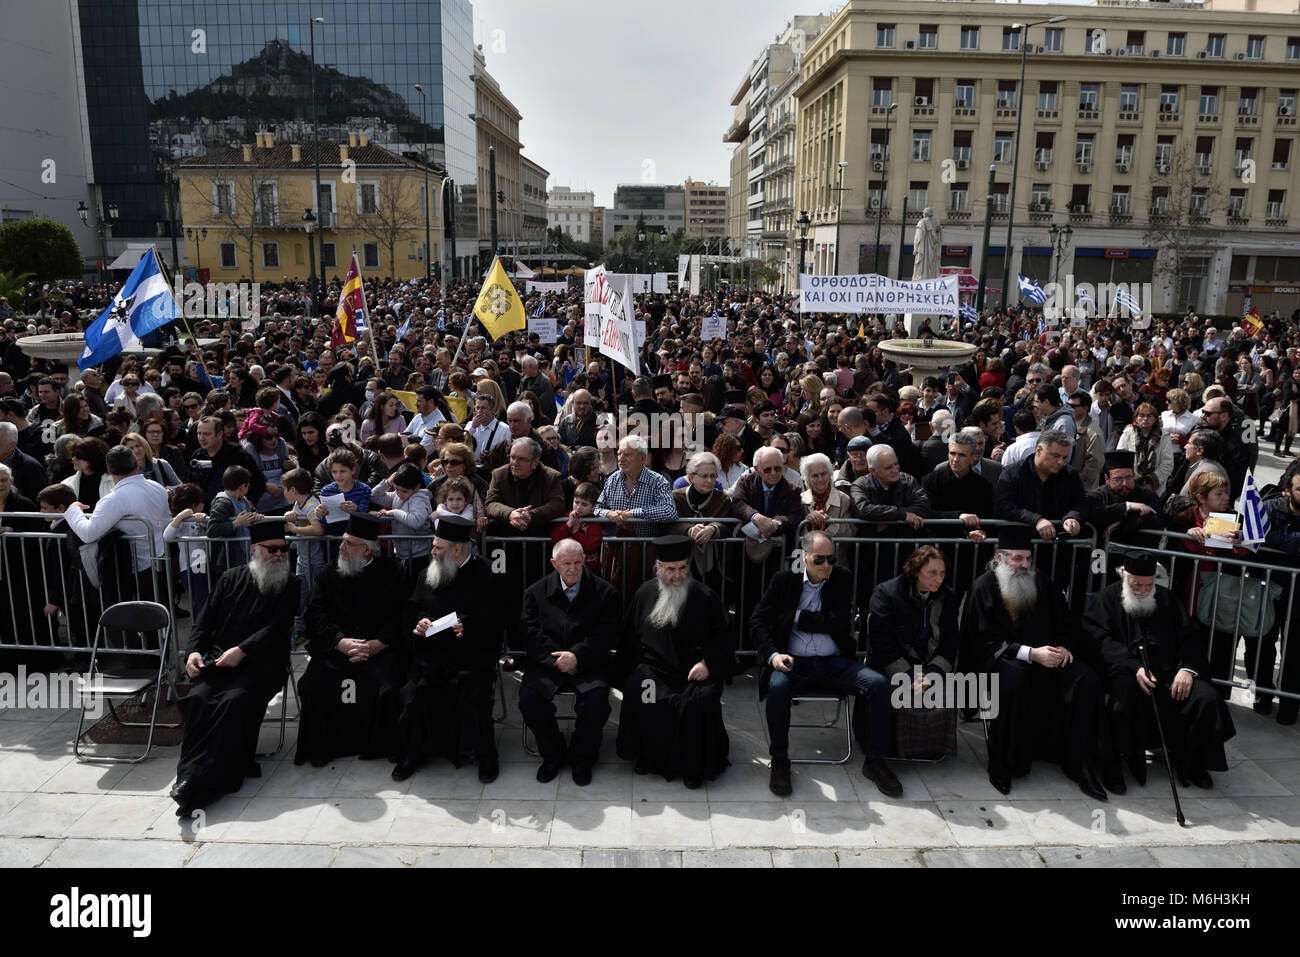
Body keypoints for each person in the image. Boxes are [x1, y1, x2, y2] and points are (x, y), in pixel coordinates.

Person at [959, 523, 1110, 799]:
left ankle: (1079, 763)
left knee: (1086, 680)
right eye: (1017, 558)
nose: (1024, 564)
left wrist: (1063, 647)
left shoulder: (1041, 581)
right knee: (1014, 680)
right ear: (1001, 558)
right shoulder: (983, 588)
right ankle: (1002, 764)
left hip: (1047, 657)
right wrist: (1030, 653)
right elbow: (980, 641)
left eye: (1028, 558)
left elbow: (1065, 622)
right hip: (1003, 660)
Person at [752, 530, 900, 797]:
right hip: (792, 662)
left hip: (833, 662)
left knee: (880, 684)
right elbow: (758, 621)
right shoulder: (784, 580)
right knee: (777, 689)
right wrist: (774, 656)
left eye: (831, 559)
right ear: (804, 557)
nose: (827, 565)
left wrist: (795, 617)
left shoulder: (841, 579)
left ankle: (876, 760)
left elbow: (839, 623)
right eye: (819, 559)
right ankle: (780, 759)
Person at [173, 520, 298, 815]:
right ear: (255, 550)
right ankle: (189, 776)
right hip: (219, 660)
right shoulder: (230, 578)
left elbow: (278, 628)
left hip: (263, 662)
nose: (280, 554)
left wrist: (243, 650)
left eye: (284, 548)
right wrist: (192, 652)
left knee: (232, 701)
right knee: (198, 699)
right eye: (273, 549)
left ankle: (209, 781)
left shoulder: (291, 583)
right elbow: (204, 622)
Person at [1082, 552, 1236, 791]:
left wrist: (1187, 669)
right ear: (1124, 575)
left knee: (1207, 698)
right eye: (1136, 584)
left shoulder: (1167, 599)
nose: (1143, 590)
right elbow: (1099, 639)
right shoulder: (1106, 599)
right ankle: (1115, 767)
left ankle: (1193, 764)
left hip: (1171, 674)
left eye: (1149, 584)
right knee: (1122, 697)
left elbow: (1191, 638)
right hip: (1127, 672)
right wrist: (1134, 667)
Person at [616, 536, 733, 788]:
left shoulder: (705, 596)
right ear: (658, 568)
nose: (677, 575)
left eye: (682, 568)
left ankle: (694, 766)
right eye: (670, 569)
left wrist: (708, 663)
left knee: (699, 701)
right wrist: (629, 672)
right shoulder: (645, 593)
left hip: (694, 671)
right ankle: (647, 756)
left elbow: (723, 637)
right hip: (654, 671)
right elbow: (630, 638)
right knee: (644, 692)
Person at [394, 516, 504, 783]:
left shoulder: (487, 574)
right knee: (413, 694)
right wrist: (418, 624)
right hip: (432, 655)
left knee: (474, 696)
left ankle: (486, 757)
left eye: (438, 547)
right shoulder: (427, 574)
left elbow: (498, 616)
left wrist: (468, 624)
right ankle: (412, 754)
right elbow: (412, 609)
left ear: (457, 549)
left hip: (472, 655)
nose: (432, 552)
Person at [295, 513, 408, 767]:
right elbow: (315, 613)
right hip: (338, 648)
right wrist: (340, 642)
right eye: (343, 541)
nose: (341, 547)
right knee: (315, 684)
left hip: (379, 648)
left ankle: (380, 746)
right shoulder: (328, 573)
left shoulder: (392, 572)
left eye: (349, 543)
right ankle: (325, 748)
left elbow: (402, 614)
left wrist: (378, 643)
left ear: (367, 551)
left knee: (389, 686)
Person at [519, 539, 619, 785]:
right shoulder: (535, 592)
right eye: (566, 563)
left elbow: (606, 633)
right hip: (547, 663)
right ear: (554, 564)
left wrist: (577, 656)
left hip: (588, 662)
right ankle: (552, 754)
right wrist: (556, 658)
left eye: (577, 562)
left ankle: (582, 757)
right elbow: (529, 633)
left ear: (584, 560)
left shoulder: (605, 592)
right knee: (529, 701)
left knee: (596, 703)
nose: (573, 568)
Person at [866, 545, 961, 761]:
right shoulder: (887, 593)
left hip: (929, 665)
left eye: (943, 573)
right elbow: (881, 641)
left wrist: (934, 672)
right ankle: (890, 750)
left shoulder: (947, 596)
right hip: (894, 663)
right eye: (933, 573)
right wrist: (910, 675)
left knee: (953, 690)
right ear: (916, 571)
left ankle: (932, 746)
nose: (939, 579)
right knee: (892, 691)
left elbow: (950, 640)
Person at [60, 444, 171, 605]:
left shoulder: (114, 499)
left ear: (110, 471)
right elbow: (166, 521)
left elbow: (88, 533)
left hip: (128, 571)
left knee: (124, 623)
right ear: (135, 465)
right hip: (156, 563)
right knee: (153, 620)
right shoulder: (158, 488)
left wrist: (72, 509)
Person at [993, 429, 1085, 542]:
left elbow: (1081, 503)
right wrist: (1036, 520)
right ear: (1038, 450)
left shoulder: (1070, 474)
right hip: (1020, 546)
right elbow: (1003, 506)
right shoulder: (1012, 473)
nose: (1061, 462)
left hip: (1057, 547)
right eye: (1056, 456)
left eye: (1064, 458)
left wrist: (1073, 517)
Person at [1086, 451, 1164, 546]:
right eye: (1118, 479)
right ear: (1107, 479)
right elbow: (1095, 514)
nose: (1124, 484)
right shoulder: (1097, 496)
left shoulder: (1147, 496)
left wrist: (1123, 523)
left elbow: (1157, 520)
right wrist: (1127, 506)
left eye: (1128, 478)